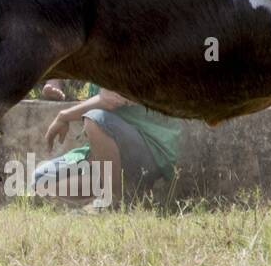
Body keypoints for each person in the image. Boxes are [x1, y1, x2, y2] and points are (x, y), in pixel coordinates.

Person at [40, 85, 182, 208]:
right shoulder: (93, 60)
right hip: (107, 149)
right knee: (42, 179)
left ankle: (113, 202)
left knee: (94, 121)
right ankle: (108, 198)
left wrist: (63, 116)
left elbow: (109, 100)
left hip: (150, 148)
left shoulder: (122, 55)